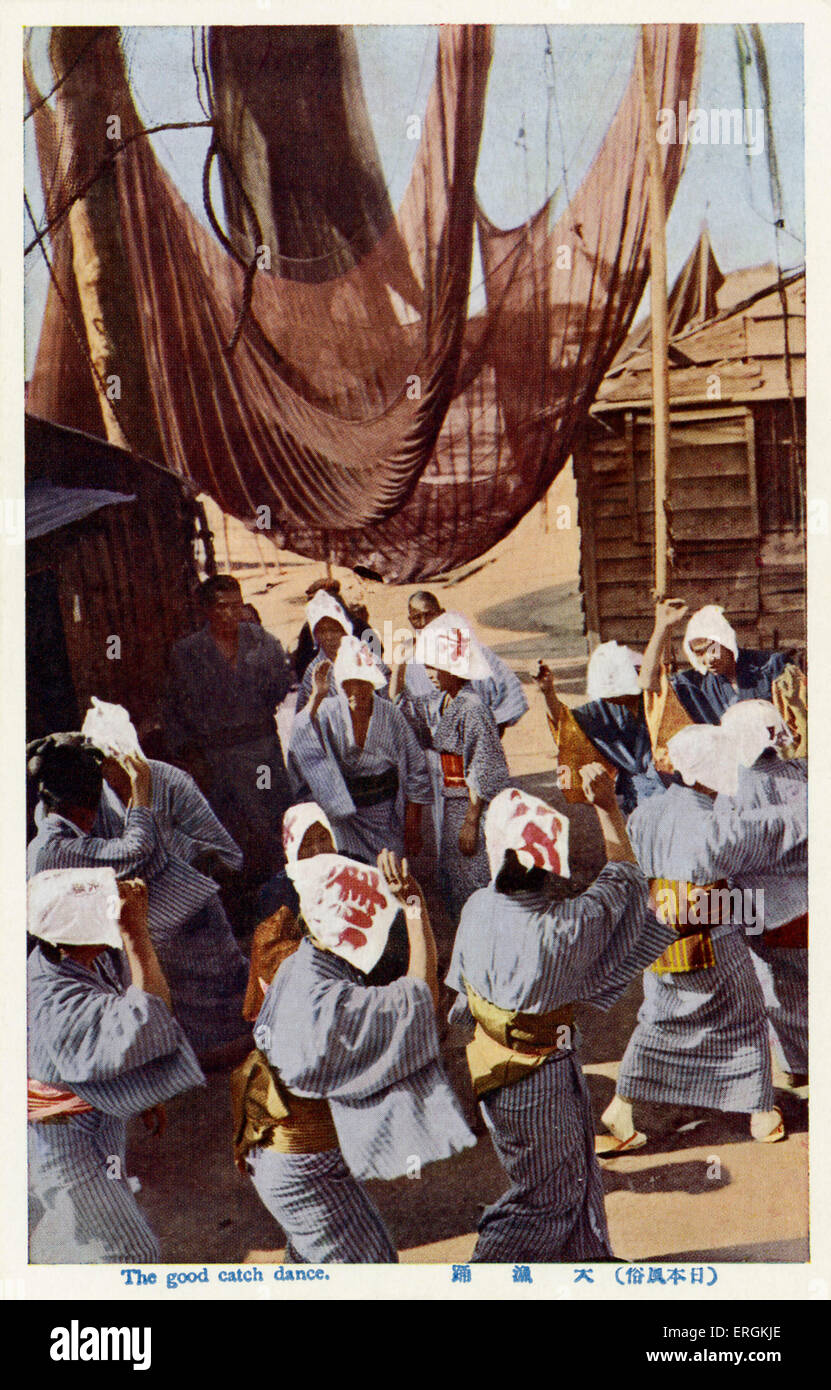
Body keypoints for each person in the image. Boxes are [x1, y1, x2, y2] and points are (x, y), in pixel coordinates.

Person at [446, 773, 674, 1262]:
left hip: (490, 1063)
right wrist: (607, 807)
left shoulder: (477, 907)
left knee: (572, 1169)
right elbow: (624, 879)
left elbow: (459, 1000)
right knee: (546, 1196)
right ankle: (484, 1272)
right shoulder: (562, 929)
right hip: (539, 1074)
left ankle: (588, 1255)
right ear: (549, 866)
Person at [245, 805, 474, 1260]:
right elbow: (417, 1001)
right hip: (299, 1156)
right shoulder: (320, 992)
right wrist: (414, 911)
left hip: (295, 1142)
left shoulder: (309, 958)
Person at [601, 723, 807, 1150]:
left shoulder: (647, 813)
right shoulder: (713, 827)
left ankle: (621, 1108)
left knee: (658, 1021)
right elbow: (770, 831)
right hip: (712, 939)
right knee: (745, 1019)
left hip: (659, 937)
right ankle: (759, 1113)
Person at [233, 804, 399, 1263]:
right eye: (308, 844)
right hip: (298, 1066)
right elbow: (277, 970)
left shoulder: (350, 874)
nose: (320, 850)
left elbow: (383, 943)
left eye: (324, 839)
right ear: (290, 849)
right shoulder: (278, 894)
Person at [27, 733, 250, 1068]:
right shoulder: (57, 844)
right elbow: (135, 849)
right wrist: (141, 791)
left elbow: (222, 851)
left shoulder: (52, 819)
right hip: (68, 954)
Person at [27, 872, 204, 1263]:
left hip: (91, 1127)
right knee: (129, 1253)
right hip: (62, 1143)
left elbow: (115, 1044)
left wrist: (136, 1091)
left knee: (90, 1224)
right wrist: (136, 935)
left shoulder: (76, 962)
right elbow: (145, 1024)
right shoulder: (54, 998)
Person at [162, 574, 294, 887]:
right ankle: (247, 907)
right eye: (222, 607)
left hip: (263, 751)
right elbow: (173, 710)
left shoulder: (260, 639)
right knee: (233, 834)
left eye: (236, 606)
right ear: (207, 610)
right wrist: (193, 758)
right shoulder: (187, 652)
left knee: (276, 824)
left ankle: (288, 895)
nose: (231, 614)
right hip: (218, 759)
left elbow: (280, 683)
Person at [391, 611, 511, 922]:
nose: (429, 672)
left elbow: (485, 764)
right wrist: (399, 667)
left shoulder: (473, 708)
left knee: (474, 878)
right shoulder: (441, 701)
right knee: (455, 880)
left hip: (472, 807)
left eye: (434, 665)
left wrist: (472, 820)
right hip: (451, 802)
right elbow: (402, 707)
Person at [718, 701, 808, 1092]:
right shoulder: (804, 774)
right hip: (809, 903)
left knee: (781, 994)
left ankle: (800, 1066)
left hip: (766, 912)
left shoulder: (734, 788)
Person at [287, 635, 432, 863]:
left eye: (361, 682)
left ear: (372, 683)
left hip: (385, 817)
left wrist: (412, 826)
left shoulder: (390, 715)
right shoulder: (327, 710)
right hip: (344, 819)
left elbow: (416, 769)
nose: (354, 691)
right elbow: (300, 738)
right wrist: (316, 697)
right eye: (347, 684)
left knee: (389, 879)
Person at [536, 641, 665, 815]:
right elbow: (566, 723)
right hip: (636, 801)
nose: (612, 699)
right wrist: (548, 692)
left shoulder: (658, 699)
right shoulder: (602, 709)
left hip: (668, 790)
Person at [640, 600, 797, 725]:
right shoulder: (697, 683)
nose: (708, 659)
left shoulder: (770, 666)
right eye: (699, 653)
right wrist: (661, 627)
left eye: (712, 649)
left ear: (726, 641)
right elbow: (647, 682)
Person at [405, 591, 528, 736]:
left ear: (442, 614)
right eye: (416, 618)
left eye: (429, 614)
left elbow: (510, 700)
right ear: (410, 621)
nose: (424, 623)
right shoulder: (413, 666)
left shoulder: (477, 652)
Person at [295, 588, 389, 713]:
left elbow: (390, 700)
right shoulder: (313, 671)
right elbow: (303, 717)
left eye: (334, 629)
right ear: (315, 636)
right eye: (322, 631)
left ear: (344, 629)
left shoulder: (366, 657)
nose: (328, 637)